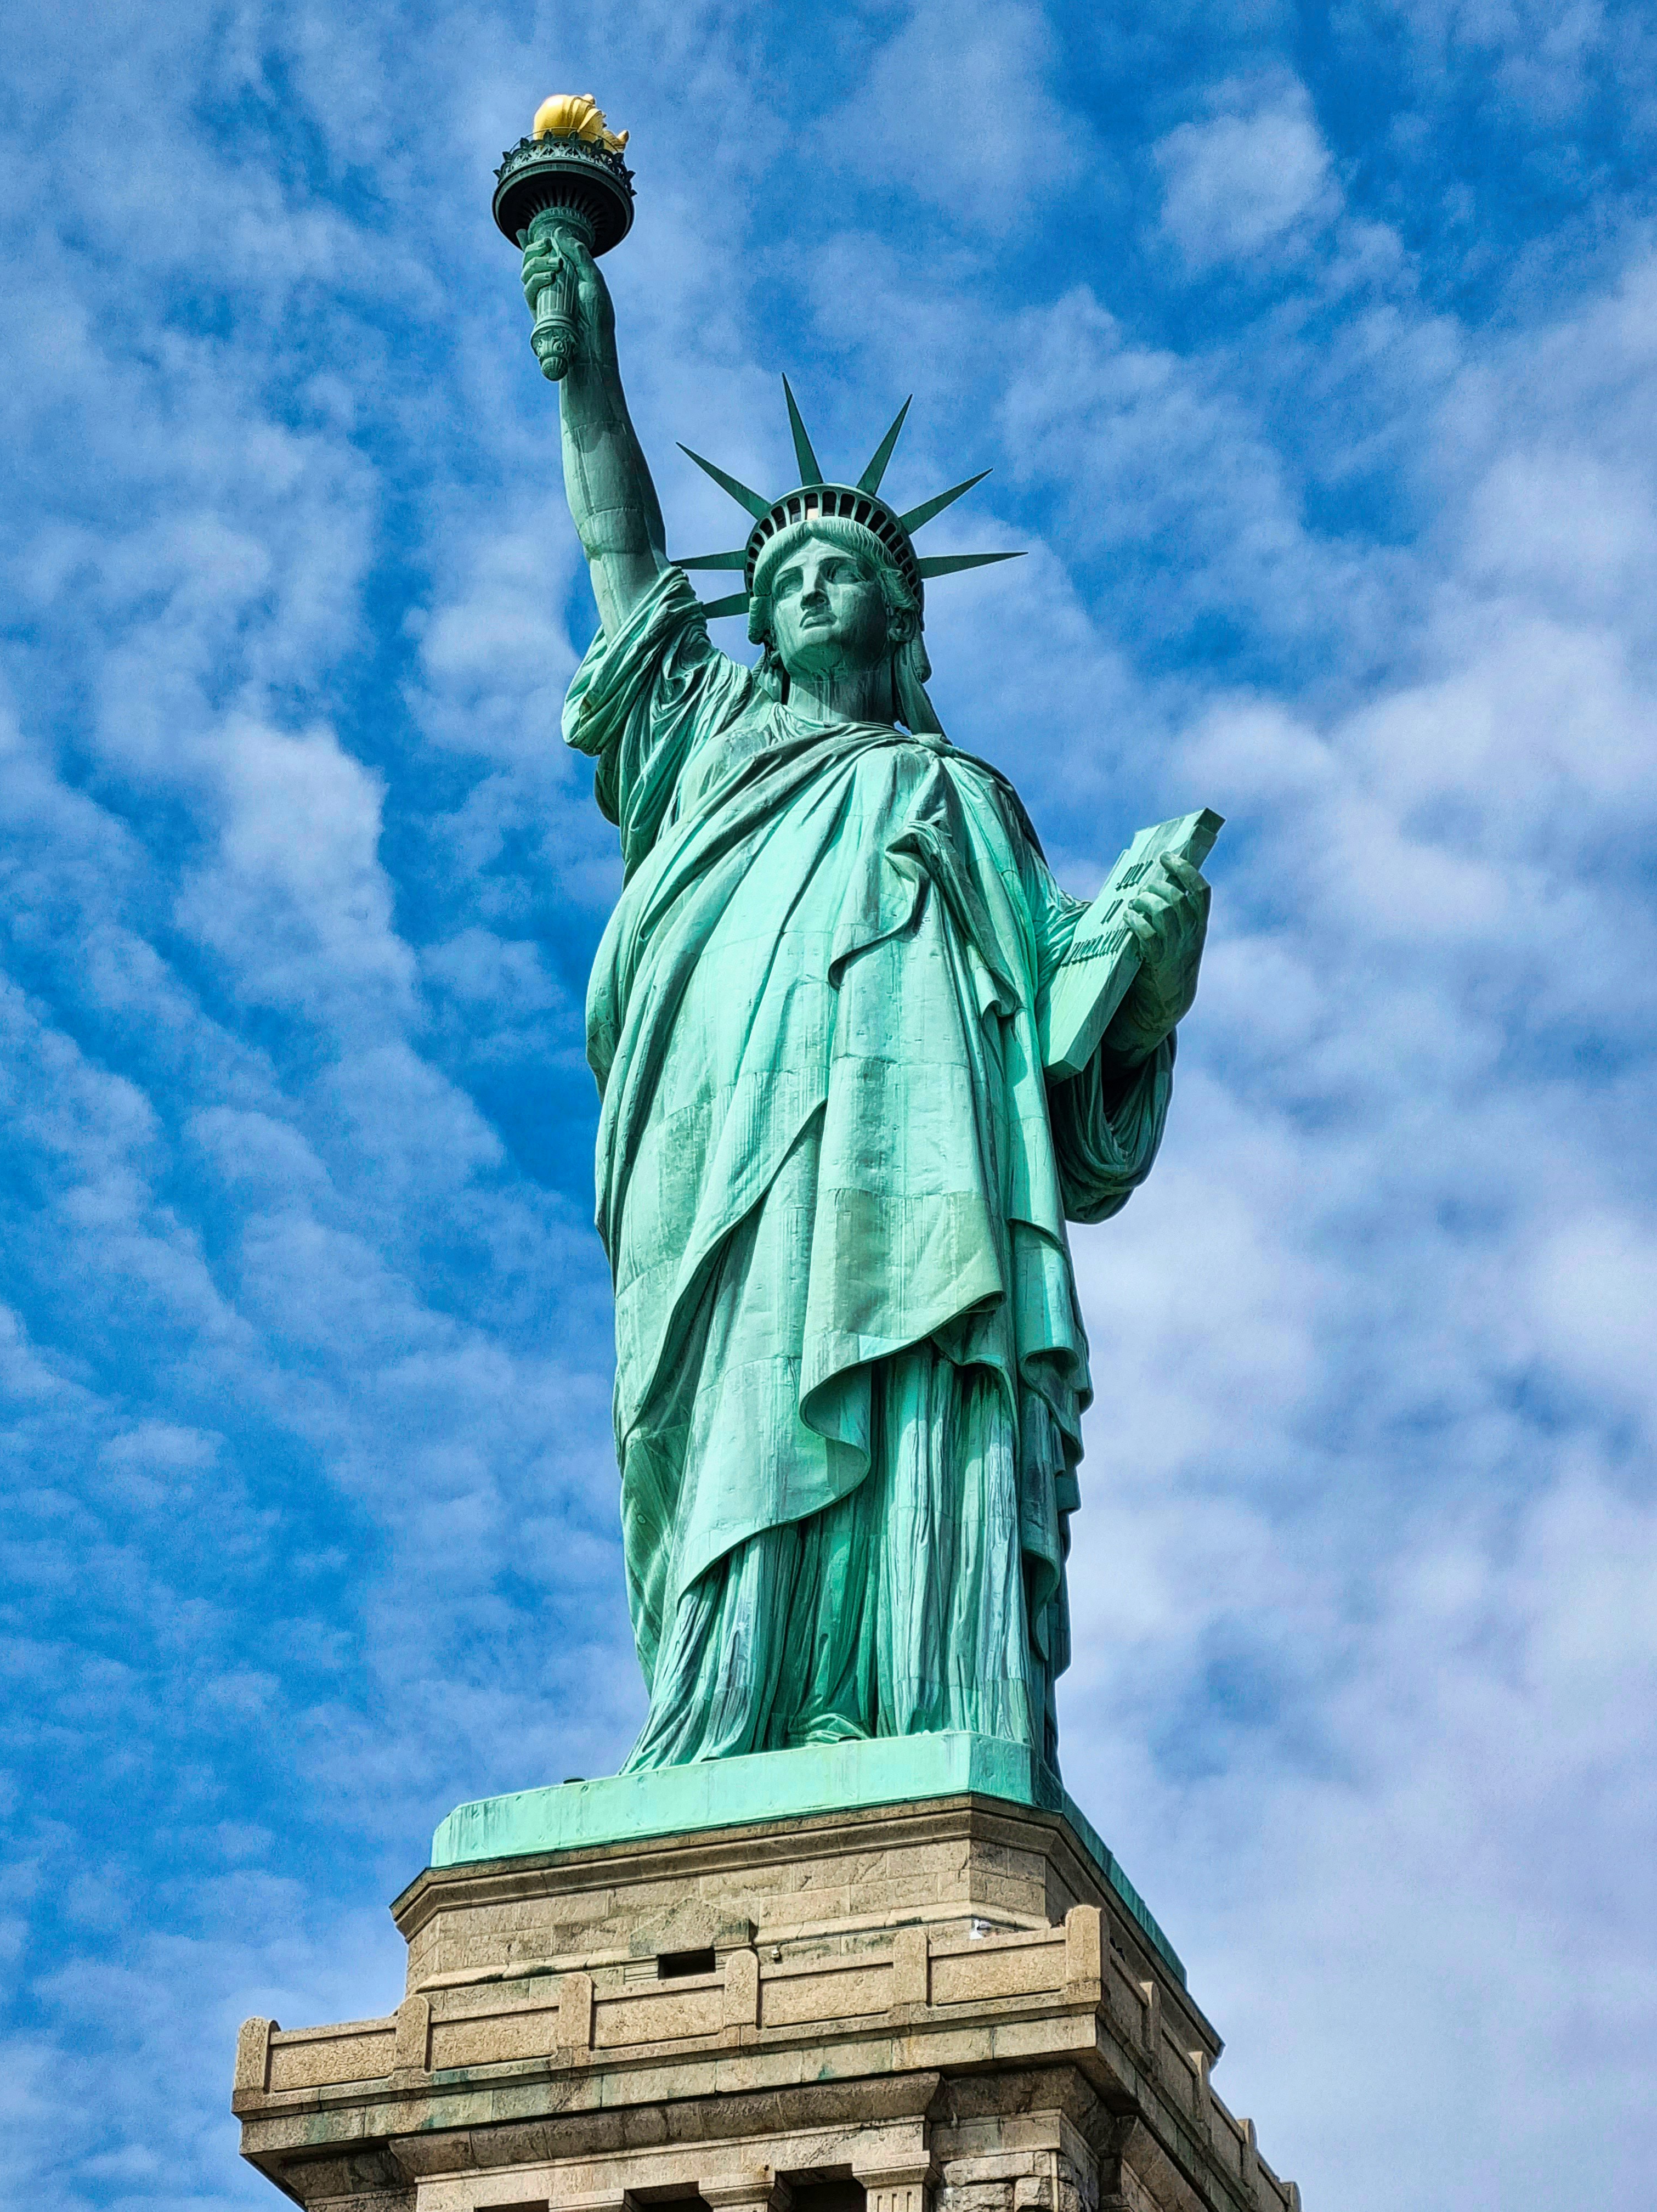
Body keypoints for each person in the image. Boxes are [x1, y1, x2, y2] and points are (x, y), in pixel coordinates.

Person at [524, 227, 1211, 1780]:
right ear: (756, 627)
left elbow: (1067, 1042)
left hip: (926, 1166)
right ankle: (723, 1715)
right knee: (737, 1392)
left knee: (919, 1381)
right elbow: (624, 562)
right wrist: (590, 383)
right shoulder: (707, 750)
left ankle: (920, 1698)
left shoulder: (967, 798)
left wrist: (1146, 961)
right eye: (786, 580)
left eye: (848, 572)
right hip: (728, 1140)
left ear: (904, 620)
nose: (817, 589)